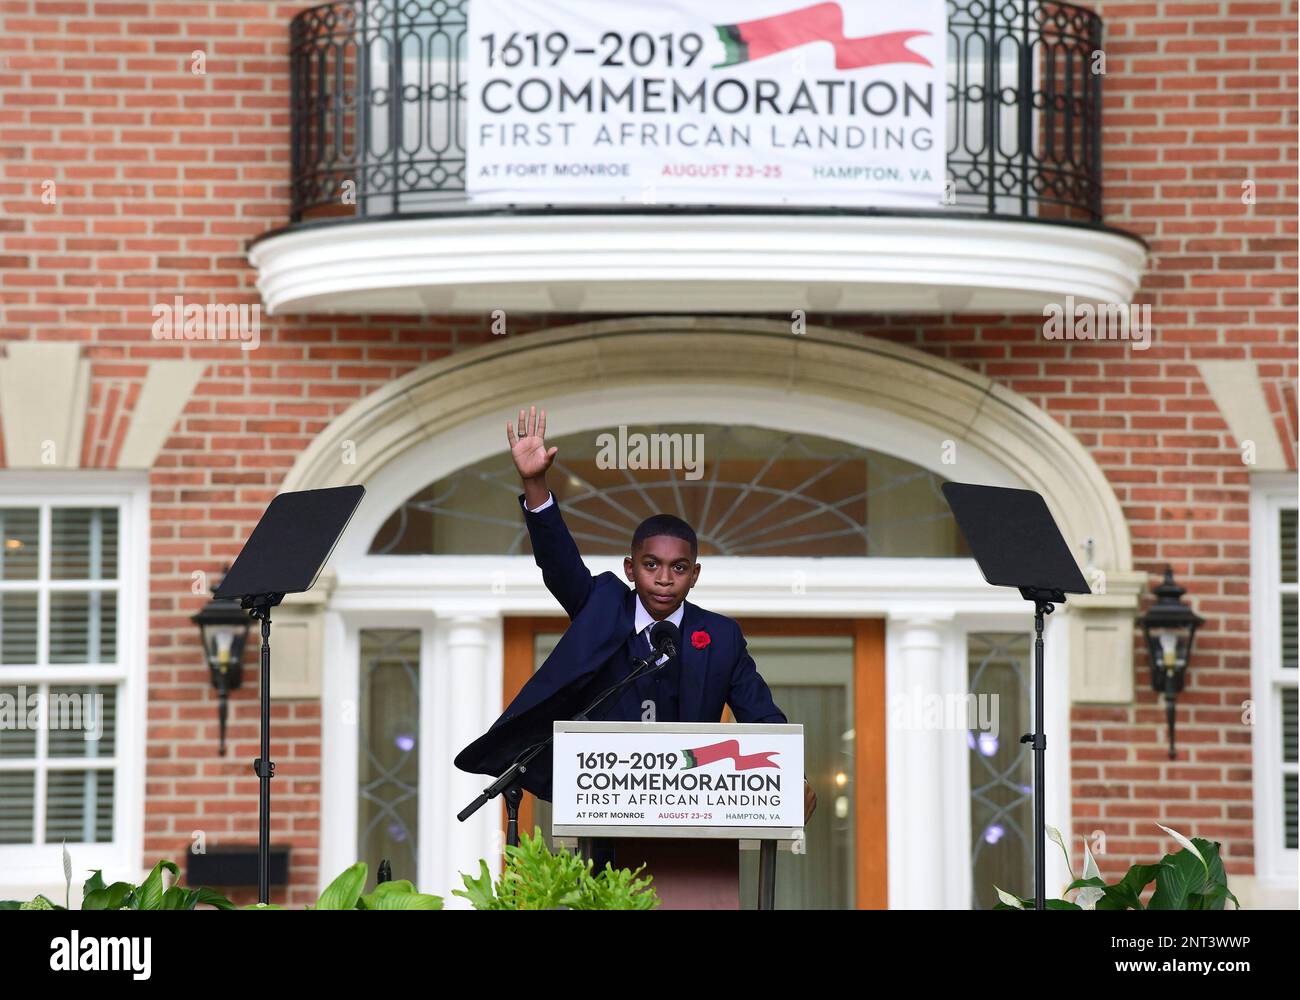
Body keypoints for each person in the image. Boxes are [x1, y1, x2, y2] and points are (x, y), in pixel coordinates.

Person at [455, 406, 816, 824]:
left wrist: (792, 773)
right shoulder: (603, 607)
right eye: (651, 565)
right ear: (631, 569)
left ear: (694, 575)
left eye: (678, 568)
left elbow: (761, 714)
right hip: (603, 808)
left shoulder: (720, 636)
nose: (664, 579)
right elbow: (559, 564)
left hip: (693, 815)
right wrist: (535, 483)